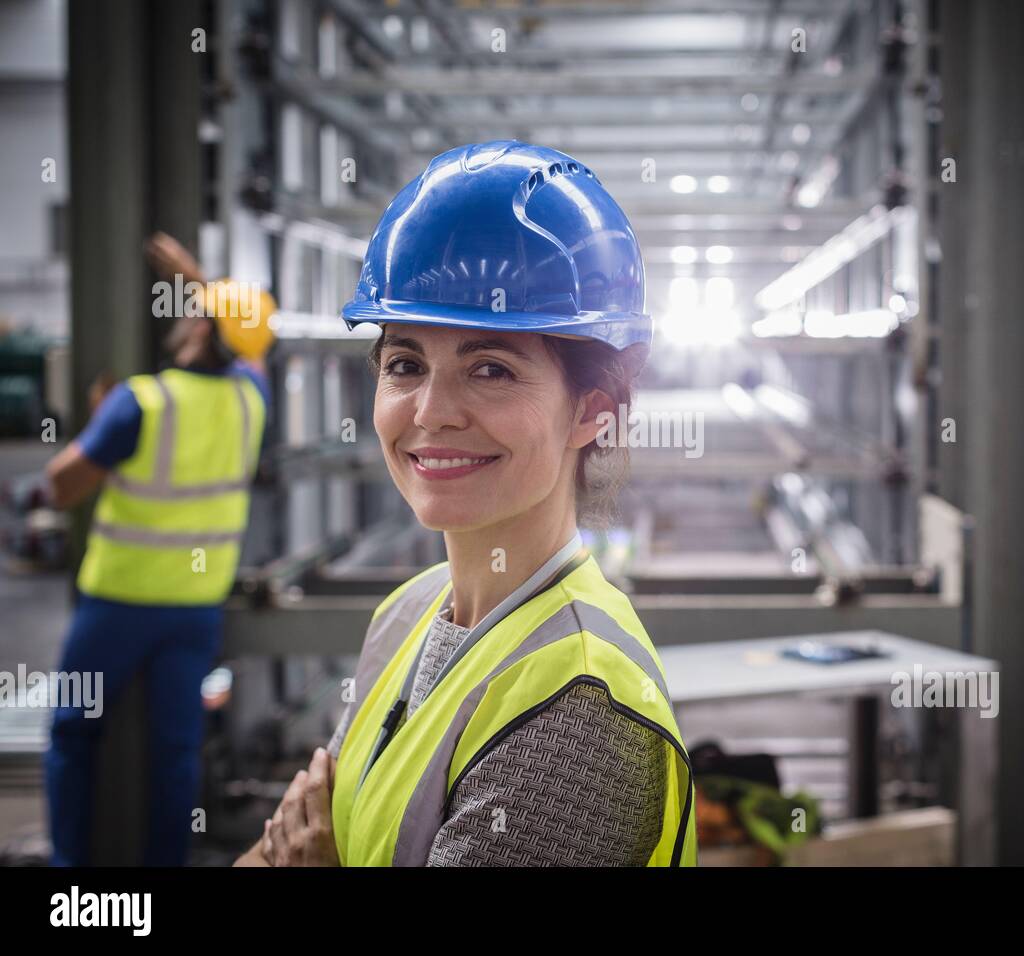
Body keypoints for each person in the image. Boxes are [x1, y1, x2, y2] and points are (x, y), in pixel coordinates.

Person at [235, 141, 696, 867]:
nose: (431, 412)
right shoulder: (406, 614)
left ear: (589, 414)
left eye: (490, 369)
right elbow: (276, 852)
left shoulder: (582, 716)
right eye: (405, 364)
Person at [44, 233, 274, 866]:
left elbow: (60, 487)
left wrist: (96, 428)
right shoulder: (252, 401)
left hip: (117, 606)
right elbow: (245, 344)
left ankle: (71, 876)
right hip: (195, 608)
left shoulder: (140, 403)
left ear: (200, 330)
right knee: (175, 750)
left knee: (73, 734)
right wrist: (199, 279)